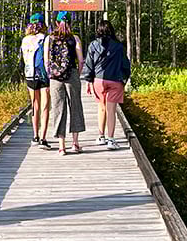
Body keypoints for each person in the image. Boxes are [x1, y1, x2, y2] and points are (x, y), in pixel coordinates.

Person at [81, 20, 131, 151]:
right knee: (111, 110)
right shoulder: (119, 46)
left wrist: (88, 81)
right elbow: (125, 65)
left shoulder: (93, 45)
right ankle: (111, 139)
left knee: (101, 108)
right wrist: (124, 79)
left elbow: (89, 65)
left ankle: (101, 136)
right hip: (115, 80)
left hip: (98, 81)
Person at [44, 11, 86, 154]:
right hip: (72, 74)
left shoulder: (49, 39)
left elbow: (46, 61)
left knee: (58, 109)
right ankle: (75, 143)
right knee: (75, 107)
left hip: (55, 78)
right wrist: (77, 74)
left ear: (56, 23)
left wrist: (52, 74)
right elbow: (81, 60)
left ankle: (61, 146)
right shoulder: (75, 38)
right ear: (70, 22)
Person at [20, 13, 51, 149]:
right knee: (45, 106)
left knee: (35, 105)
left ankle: (35, 136)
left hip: (30, 75)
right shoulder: (45, 38)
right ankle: (43, 138)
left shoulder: (25, 40)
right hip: (44, 75)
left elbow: (23, 59)